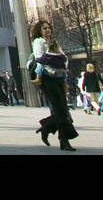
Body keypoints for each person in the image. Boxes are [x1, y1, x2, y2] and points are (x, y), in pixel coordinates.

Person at [30, 20, 77, 151]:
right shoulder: (38, 42)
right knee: (59, 108)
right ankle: (63, 140)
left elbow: (64, 58)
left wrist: (57, 60)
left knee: (62, 109)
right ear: (40, 30)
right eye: (44, 28)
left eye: (49, 28)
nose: (47, 30)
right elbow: (41, 58)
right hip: (46, 77)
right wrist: (56, 60)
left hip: (59, 77)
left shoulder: (54, 42)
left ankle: (48, 128)